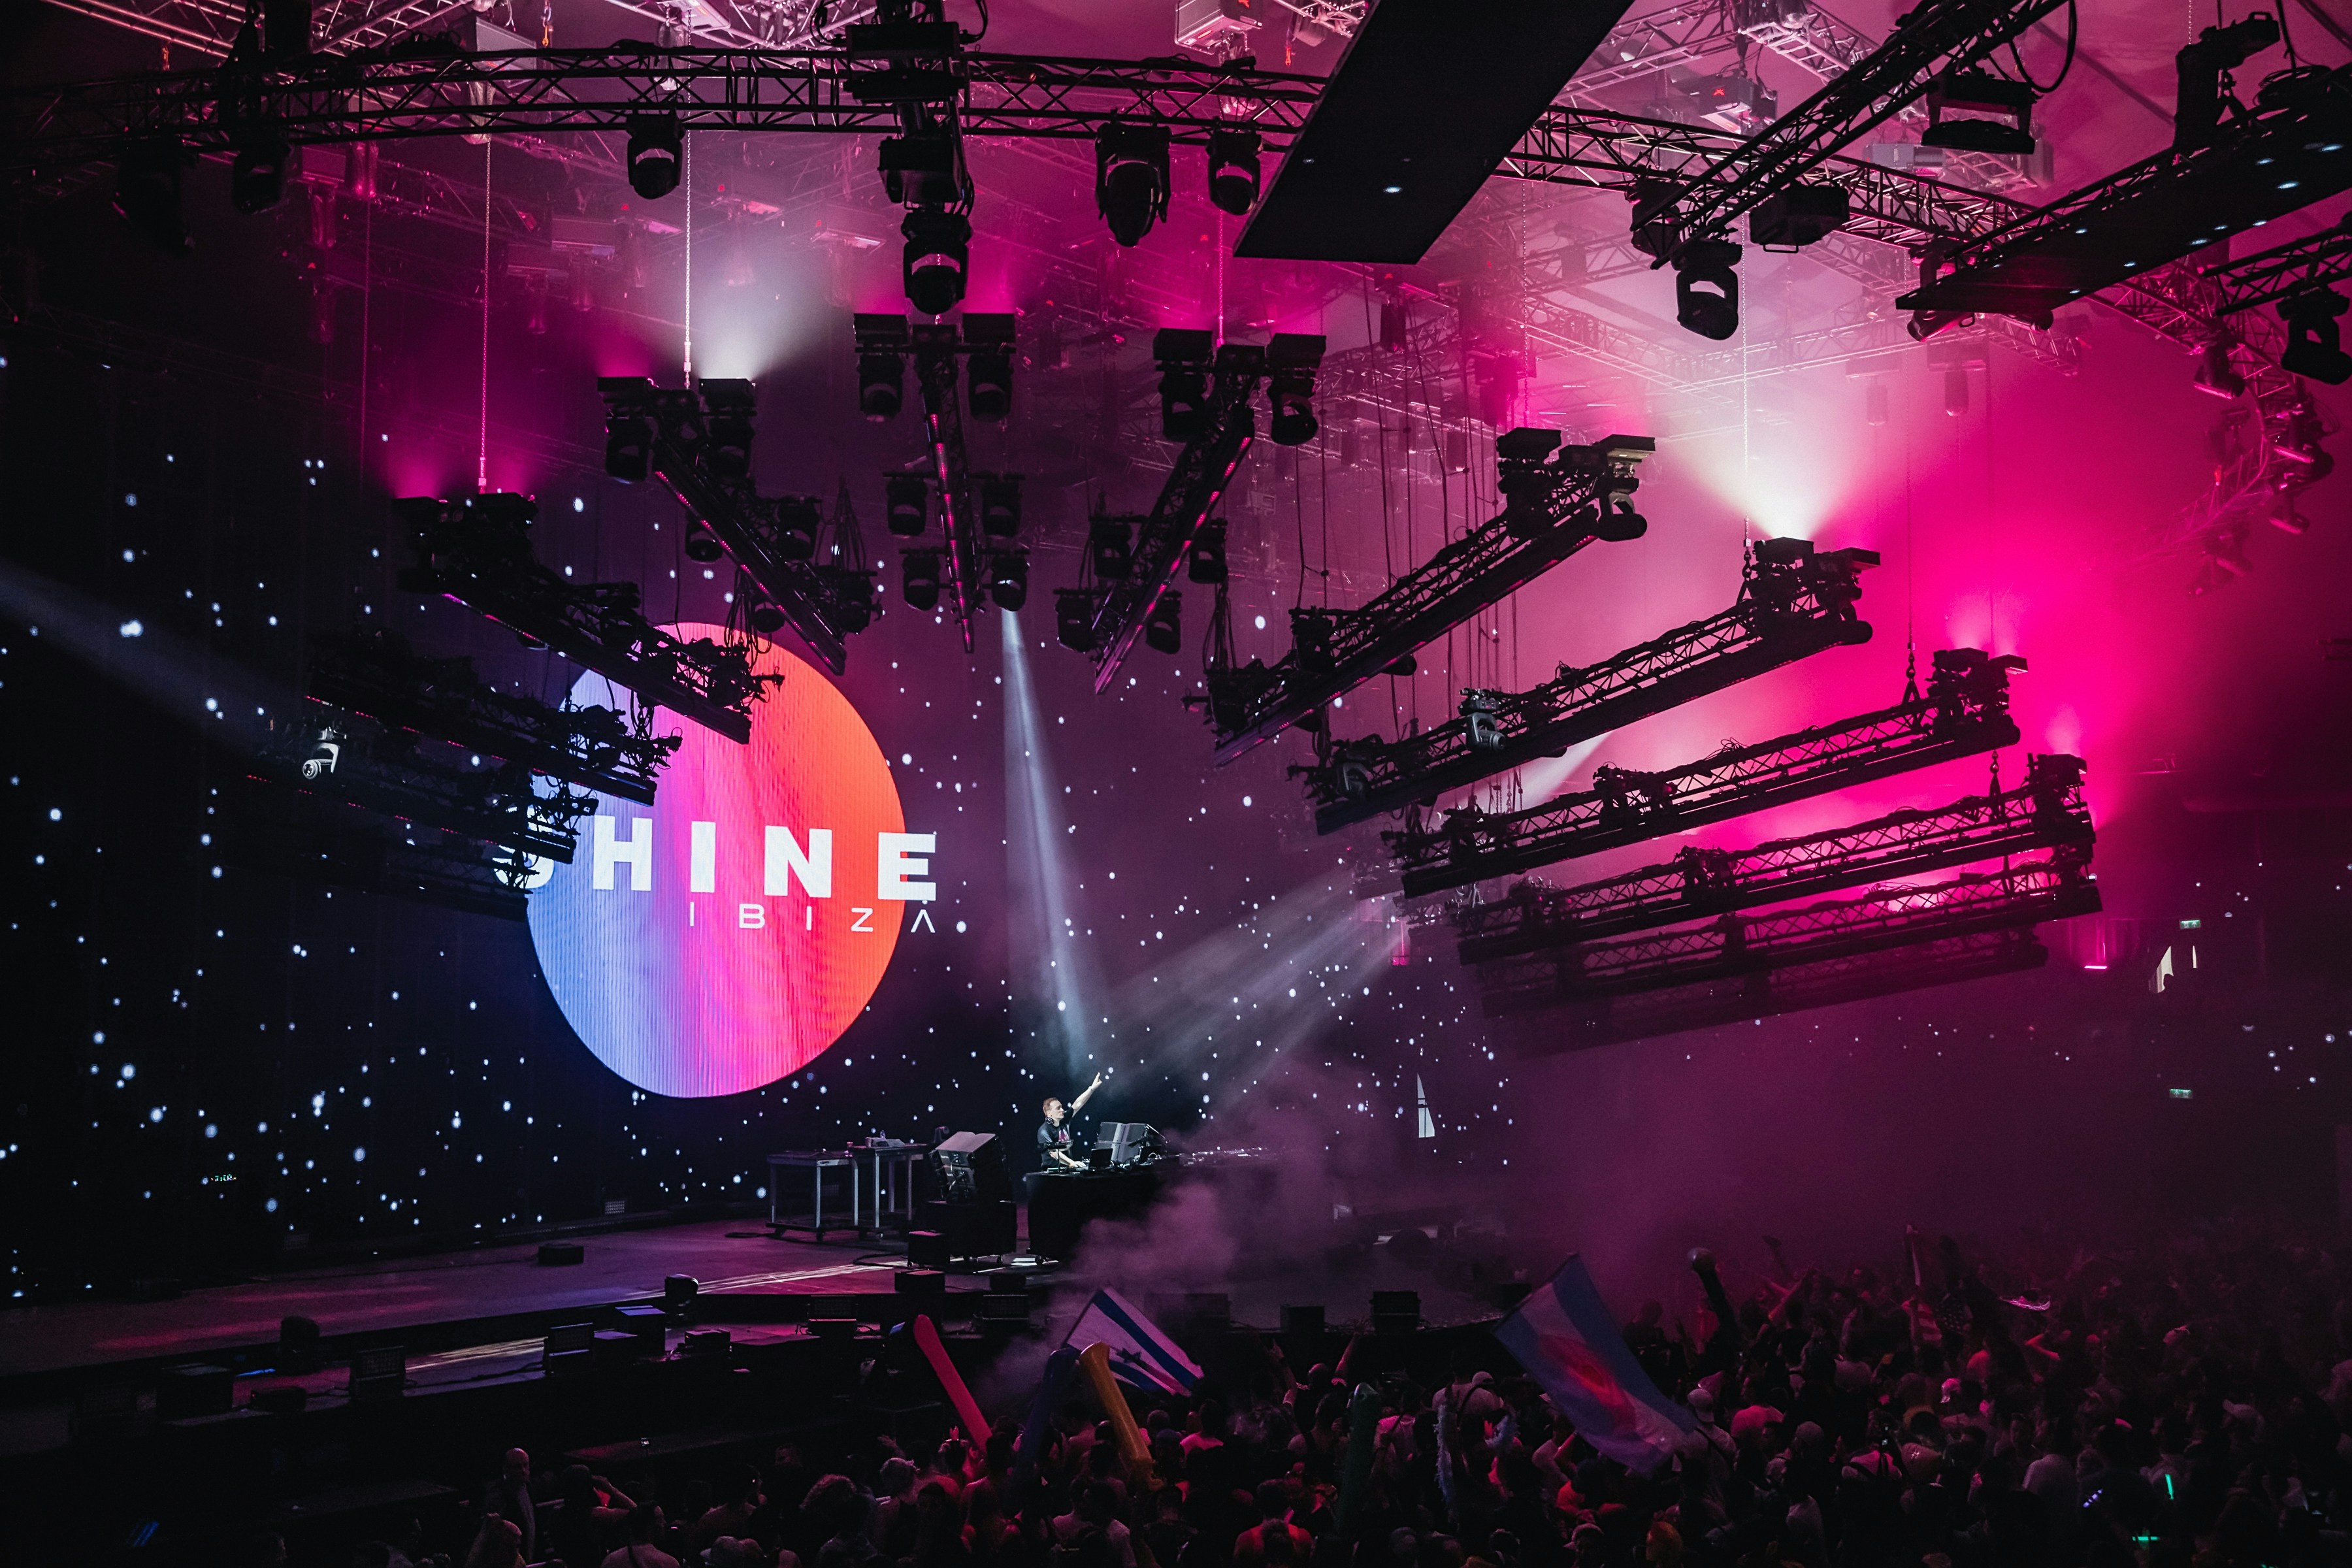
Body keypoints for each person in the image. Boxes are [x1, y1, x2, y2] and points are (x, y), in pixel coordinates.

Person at [1036, 1071, 1106, 1171]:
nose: (1062, 1110)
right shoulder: (1044, 1131)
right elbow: (1054, 1153)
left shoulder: (1064, 1119)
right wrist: (1071, 1162)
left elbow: (1078, 1104)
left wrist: (1091, 1089)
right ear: (1049, 1113)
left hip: (1067, 1169)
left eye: (1061, 1107)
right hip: (1052, 1173)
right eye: (1058, 1108)